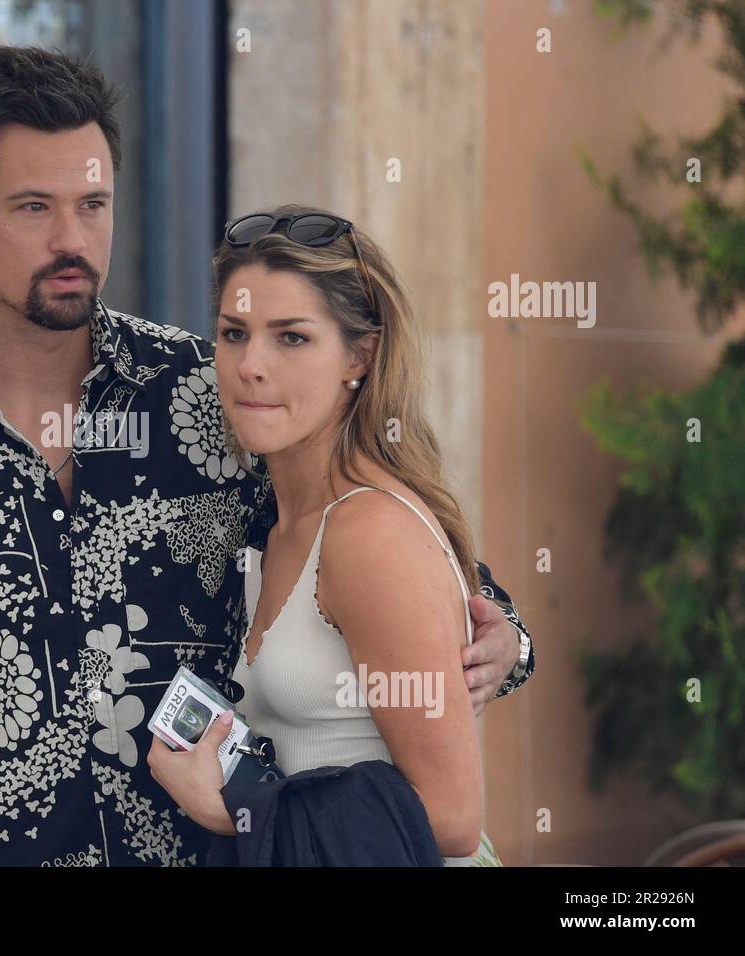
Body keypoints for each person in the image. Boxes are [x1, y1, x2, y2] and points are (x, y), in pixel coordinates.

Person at [0, 47, 532, 866]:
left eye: (92, 204)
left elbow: (393, 556)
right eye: (33, 208)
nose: (72, 240)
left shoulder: (210, 399)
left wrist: (506, 641)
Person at [147, 206, 505, 864]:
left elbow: (450, 819)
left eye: (291, 338)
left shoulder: (368, 533)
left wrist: (227, 810)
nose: (251, 364)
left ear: (360, 356)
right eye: (233, 333)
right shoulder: (288, 526)